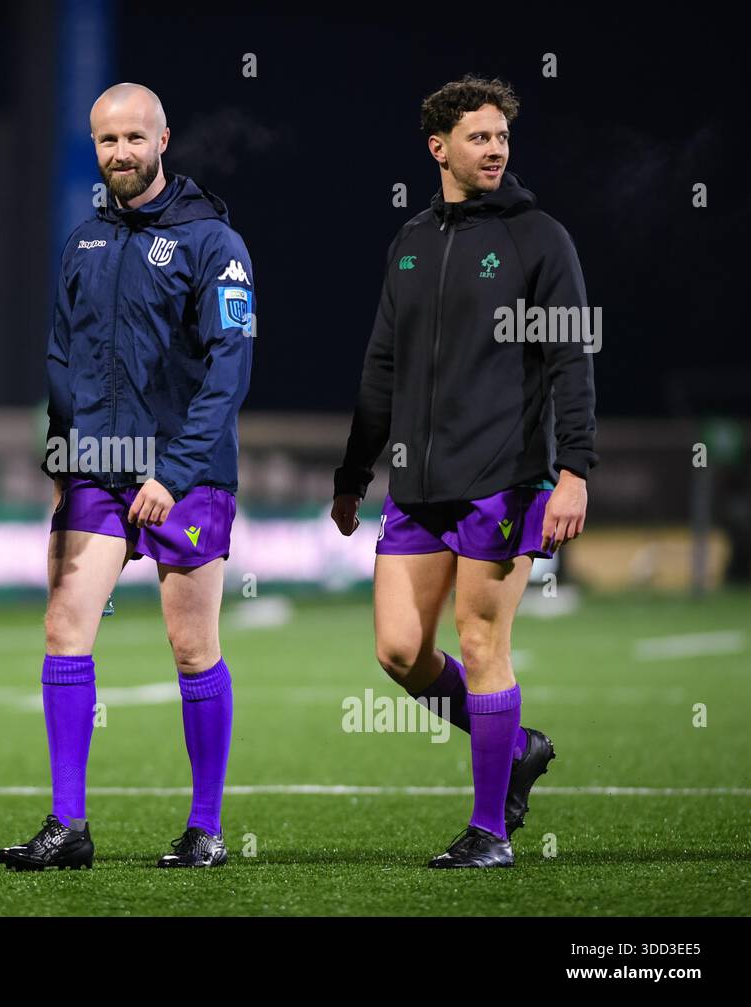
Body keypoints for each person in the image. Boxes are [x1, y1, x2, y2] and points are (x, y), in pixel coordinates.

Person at [331, 75, 595, 868]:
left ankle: (490, 830)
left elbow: (570, 359)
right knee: (400, 651)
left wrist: (575, 469)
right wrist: (353, 472)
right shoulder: (409, 242)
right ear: (437, 147)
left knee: (482, 643)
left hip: (502, 476)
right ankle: (515, 746)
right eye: (479, 136)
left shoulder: (539, 236)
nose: (495, 149)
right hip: (416, 487)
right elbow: (382, 364)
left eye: (502, 137)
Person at [0, 83, 254, 870]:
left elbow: (229, 370)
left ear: (164, 138)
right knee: (64, 628)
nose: (120, 154)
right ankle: (67, 824)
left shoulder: (215, 244)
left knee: (190, 646)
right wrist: (62, 456)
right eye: (106, 141)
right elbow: (61, 361)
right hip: (97, 475)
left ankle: (205, 827)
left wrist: (173, 474)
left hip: (187, 472)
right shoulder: (82, 243)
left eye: (134, 139)